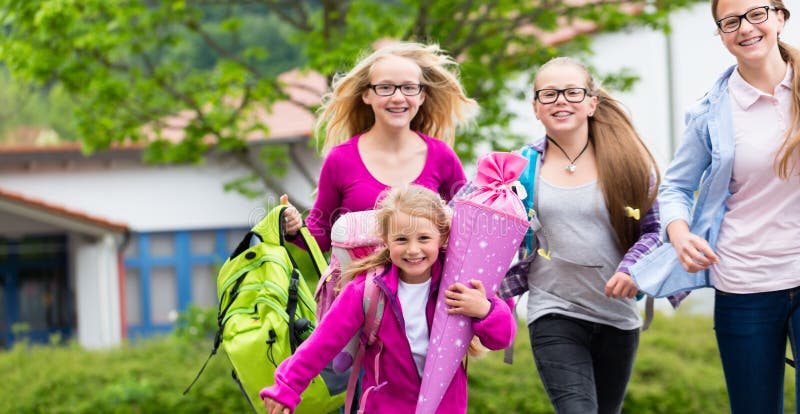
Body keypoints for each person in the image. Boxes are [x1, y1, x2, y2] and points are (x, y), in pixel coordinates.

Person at [630, 1, 799, 412]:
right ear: (722, 35)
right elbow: (676, 187)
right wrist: (680, 233)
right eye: (730, 21)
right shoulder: (710, 113)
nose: (745, 28)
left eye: (756, 13)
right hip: (744, 284)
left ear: (780, 16)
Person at [260, 184, 516, 414]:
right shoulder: (366, 291)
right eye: (402, 239)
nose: (413, 250)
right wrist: (286, 388)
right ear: (386, 240)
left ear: (443, 238)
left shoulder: (458, 285)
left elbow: (501, 338)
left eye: (424, 238)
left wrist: (485, 310)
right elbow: (321, 344)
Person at [499, 57, 661, 414]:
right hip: (553, 309)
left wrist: (631, 269)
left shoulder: (629, 164)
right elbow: (472, 216)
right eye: (549, 94)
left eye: (572, 92)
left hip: (617, 316)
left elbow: (655, 232)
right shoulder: (518, 169)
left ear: (591, 102)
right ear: (536, 108)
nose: (561, 100)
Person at [282, 41, 477, 251]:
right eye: (385, 88)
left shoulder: (442, 157)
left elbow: (466, 229)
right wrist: (294, 227)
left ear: (422, 96)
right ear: (367, 95)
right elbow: (320, 235)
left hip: (426, 285)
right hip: (355, 283)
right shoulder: (340, 159)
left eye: (409, 88)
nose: (398, 97)